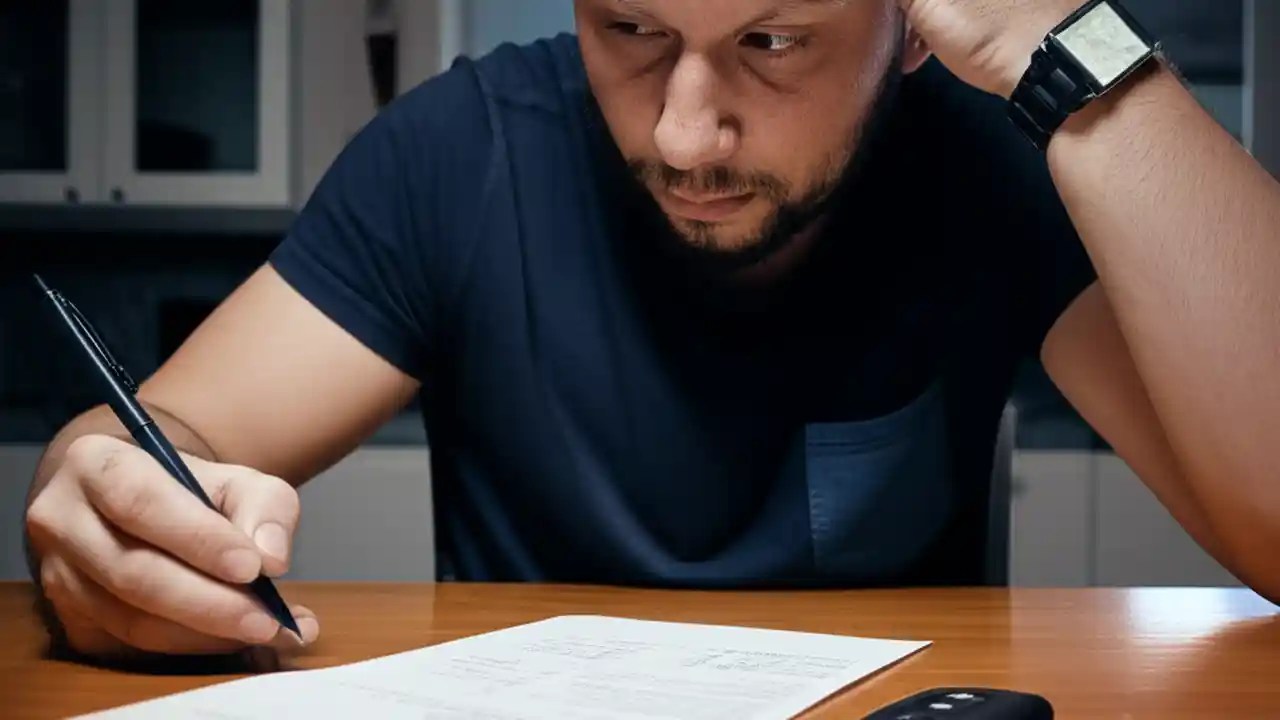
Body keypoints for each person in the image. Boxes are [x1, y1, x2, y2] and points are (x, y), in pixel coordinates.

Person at [23, 0, 1280, 666]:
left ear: (909, 28)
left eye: (771, 44)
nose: (683, 136)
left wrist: (1073, 50)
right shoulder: (456, 154)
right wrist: (106, 514)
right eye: (630, 31)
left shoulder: (991, 162)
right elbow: (166, 435)